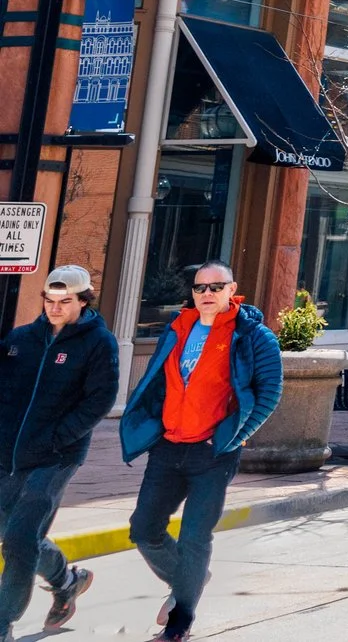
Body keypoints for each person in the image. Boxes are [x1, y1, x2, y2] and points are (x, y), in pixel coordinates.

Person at [122, 262, 282, 642]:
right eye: (200, 288)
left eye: (216, 286)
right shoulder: (178, 328)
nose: (207, 294)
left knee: (195, 537)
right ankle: (190, 580)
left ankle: (179, 625)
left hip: (213, 452)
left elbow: (269, 393)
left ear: (232, 289)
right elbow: (157, 382)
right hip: (168, 446)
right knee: (144, 530)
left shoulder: (253, 336)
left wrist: (235, 436)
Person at [0, 268, 117, 640]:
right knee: (14, 532)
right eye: (50, 301)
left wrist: (57, 439)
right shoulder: (20, 339)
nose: (55, 308)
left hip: (56, 456)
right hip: (9, 452)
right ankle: (67, 580)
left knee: (20, 540)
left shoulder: (99, 343)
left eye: (65, 302)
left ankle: (3, 621)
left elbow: (100, 400)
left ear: (83, 301)